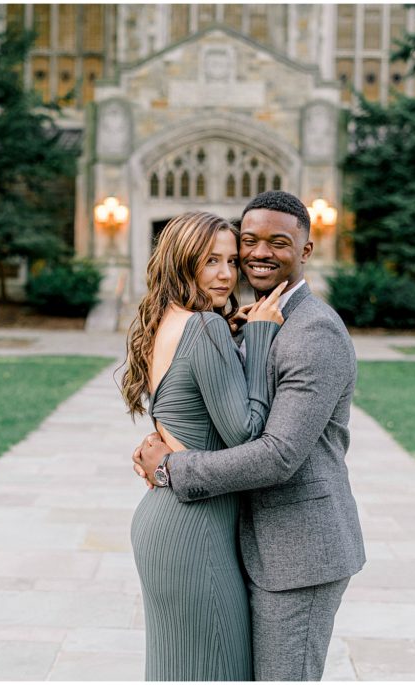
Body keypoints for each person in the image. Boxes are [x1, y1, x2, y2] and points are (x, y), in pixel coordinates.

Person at [133, 191, 366, 681]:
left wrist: (173, 468)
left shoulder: (314, 331)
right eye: (248, 243)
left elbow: (278, 454)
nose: (258, 254)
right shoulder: (239, 322)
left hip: (297, 551)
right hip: (240, 539)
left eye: (278, 242)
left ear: (305, 250)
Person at [121, 211, 287, 681]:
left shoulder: (165, 321)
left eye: (231, 261)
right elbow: (246, 434)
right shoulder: (205, 328)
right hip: (194, 530)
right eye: (209, 260)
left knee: (178, 669)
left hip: (165, 517)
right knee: (218, 670)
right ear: (182, 262)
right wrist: (259, 336)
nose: (225, 274)